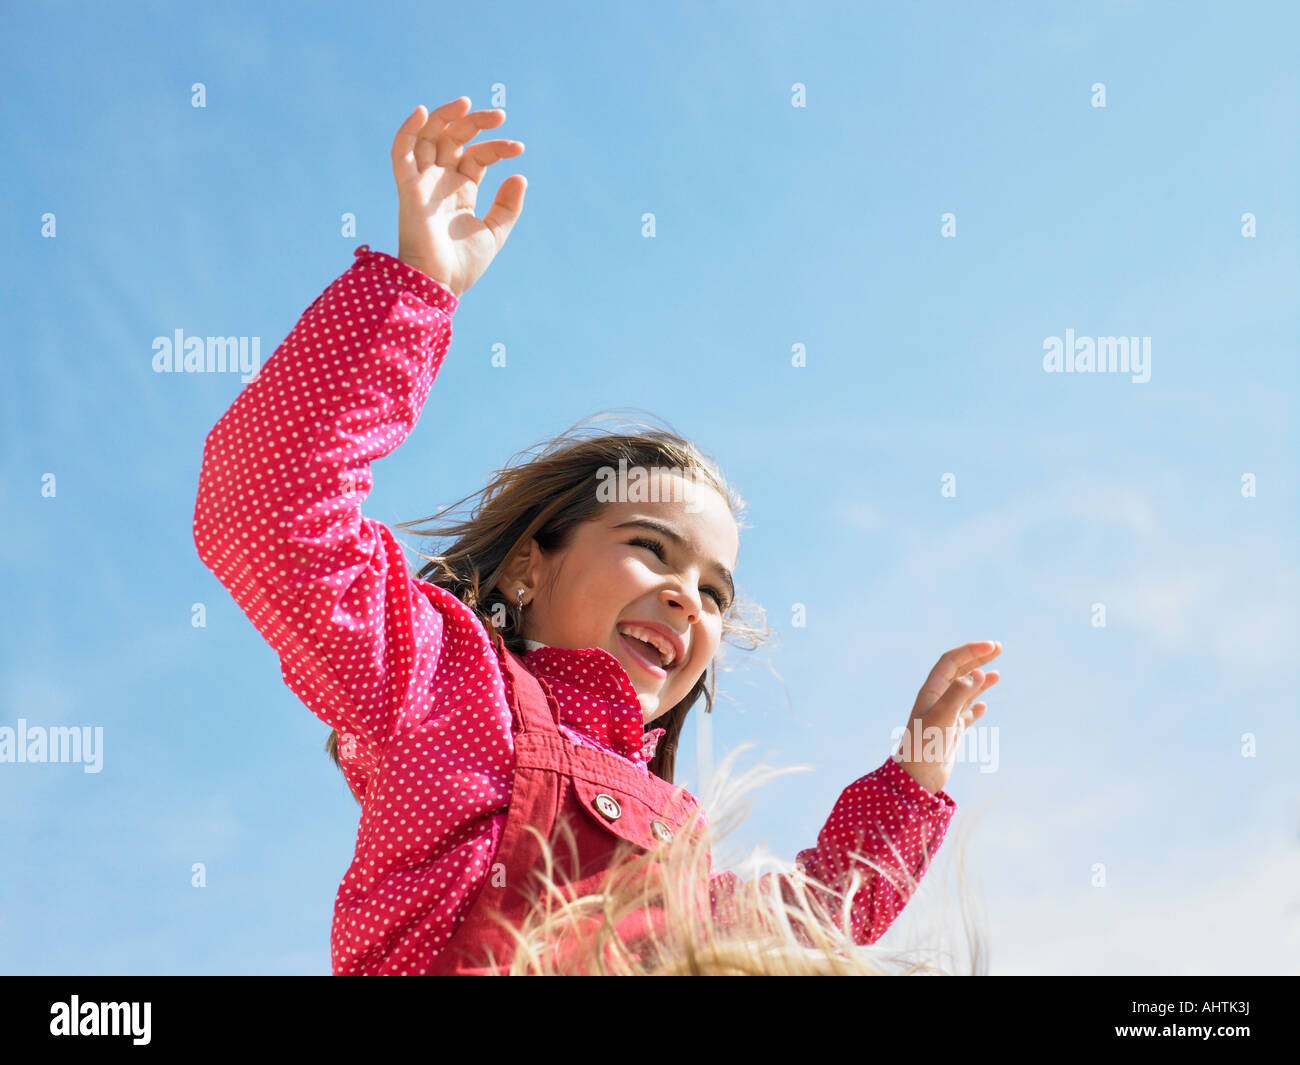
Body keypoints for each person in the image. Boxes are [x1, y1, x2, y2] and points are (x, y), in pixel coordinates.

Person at [192, 96, 1002, 975]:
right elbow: (265, 505)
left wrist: (912, 777)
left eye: (716, 592)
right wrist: (415, 289)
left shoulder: (681, 848)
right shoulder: (438, 680)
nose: (689, 595)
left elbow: (807, 915)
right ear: (528, 567)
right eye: (651, 548)